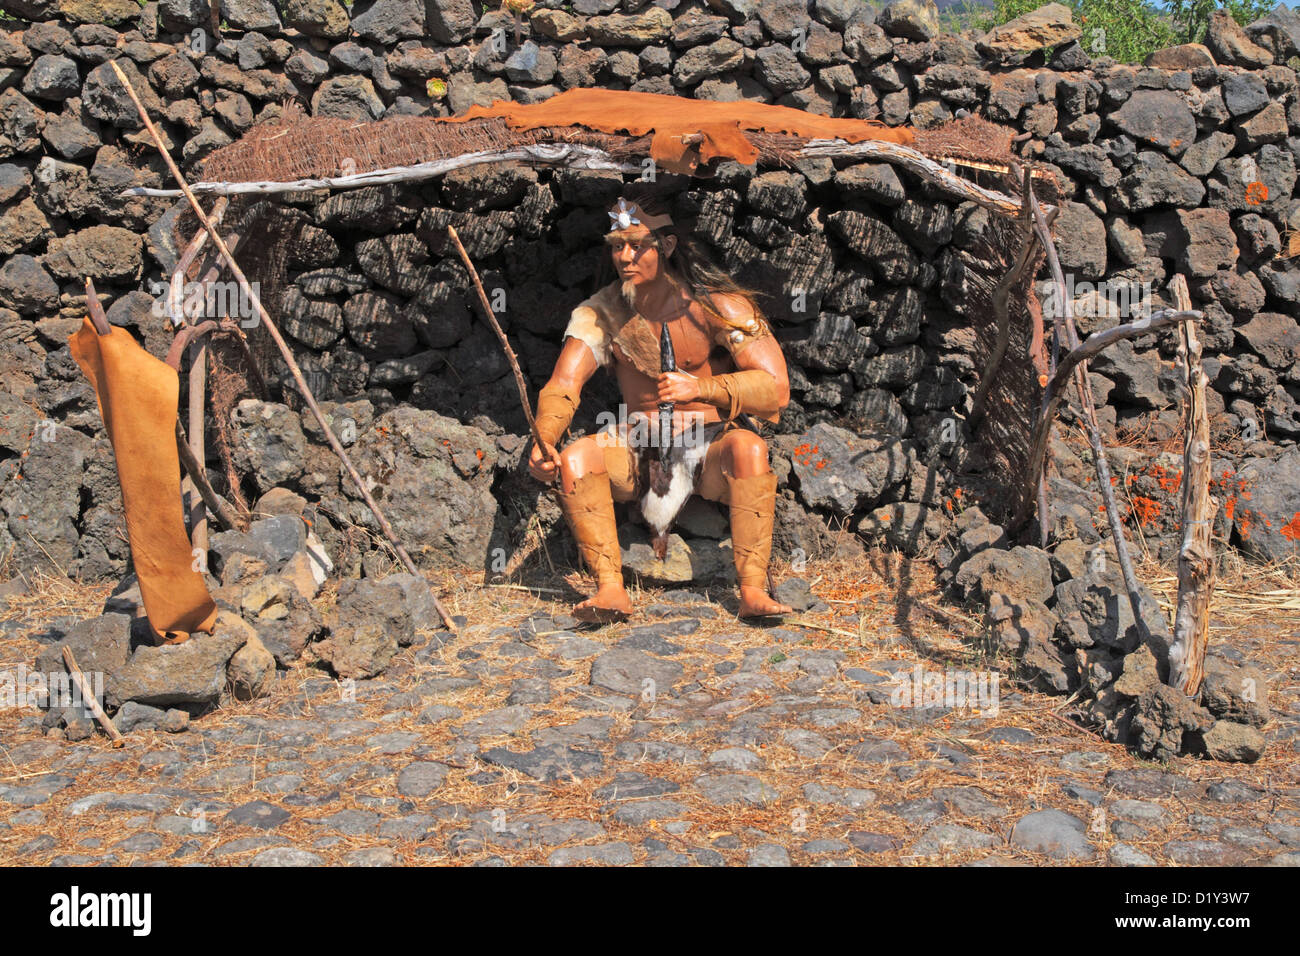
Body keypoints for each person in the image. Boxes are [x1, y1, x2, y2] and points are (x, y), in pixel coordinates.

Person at [527, 190, 794, 622]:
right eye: (617, 246)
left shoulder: (717, 306)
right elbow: (563, 383)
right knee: (577, 457)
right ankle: (610, 591)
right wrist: (545, 441)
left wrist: (702, 388)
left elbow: (776, 388)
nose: (625, 256)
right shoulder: (602, 313)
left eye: (637, 245)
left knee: (750, 450)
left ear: (666, 246)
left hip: (710, 447)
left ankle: (752, 591)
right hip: (638, 446)